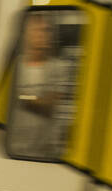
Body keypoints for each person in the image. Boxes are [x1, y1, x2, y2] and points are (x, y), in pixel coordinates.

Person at [9, 15, 73, 159]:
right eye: (38, 30)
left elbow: (50, 102)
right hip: (15, 148)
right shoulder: (14, 67)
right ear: (26, 34)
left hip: (45, 152)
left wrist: (21, 96)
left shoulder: (60, 67)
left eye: (47, 30)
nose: (44, 35)